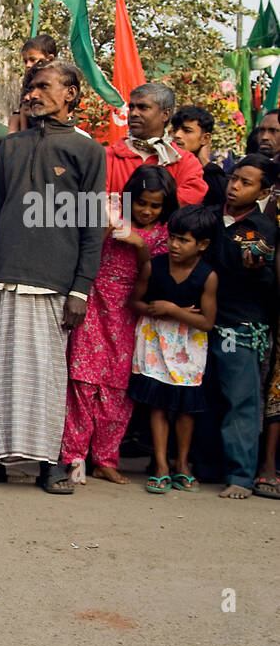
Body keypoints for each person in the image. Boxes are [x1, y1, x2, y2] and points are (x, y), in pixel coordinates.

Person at [0, 59, 106, 495]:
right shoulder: (7, 146)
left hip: (54, 282)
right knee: (0, 371)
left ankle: (49, 464)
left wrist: (81, 288)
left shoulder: (88, 151)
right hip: (5, 277)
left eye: (43, 86)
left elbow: (93, 224)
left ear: (71, 95)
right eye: (30, 86)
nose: (32, 93)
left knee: (46, 375)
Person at [60, 166, 174, 485]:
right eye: (141, 203)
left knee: (117, 388)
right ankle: (73, 457)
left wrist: (139, 243)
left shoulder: (162, 234)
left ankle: (106, 459)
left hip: (129, 312)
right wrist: (107, 228)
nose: (147, 211)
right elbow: (86, 249)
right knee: (82, 382)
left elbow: (157, 273)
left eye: (155, 206)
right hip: (93, 303)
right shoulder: (110, 213)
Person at [198, 154, 278, 499]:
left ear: (264, 190)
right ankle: (204, 467)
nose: (235, 187)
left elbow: (267, 283)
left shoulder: (264, 230)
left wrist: (257, 268)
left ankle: (241, 476)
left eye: (246, 183)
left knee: (241, 402)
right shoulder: (212, 217)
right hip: (202, 321)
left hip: (242, 325)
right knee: (204, 398)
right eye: (234, 179)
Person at [128, 205, 218, 494]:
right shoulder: (154, 266)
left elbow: (206, 322)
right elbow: (135, 302)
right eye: (172, 238)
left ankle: (182, 464)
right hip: (156, 342)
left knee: (185, 408)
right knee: (158, 404)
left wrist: (173, 310)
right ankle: (161, 465)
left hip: (189, 348)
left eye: (184, 240)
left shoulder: (207, 276)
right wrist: (158, 310)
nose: (175, 245)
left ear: (202, 244)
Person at [106, 83, 207, 206]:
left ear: (165, 115)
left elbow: (189, 199)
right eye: (131, 107)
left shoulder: (185, 162)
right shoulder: (107, 157)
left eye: (142, 107)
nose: (133, 113)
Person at [171, 106, 227, 207]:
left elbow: (221, 202)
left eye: (187, 131)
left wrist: (204, 161)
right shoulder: (163, 160)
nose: (177, 135)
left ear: (205, 138)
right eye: (174, 130)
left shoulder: (212, 174)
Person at [7, 35, 57, 134]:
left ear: (50, 59)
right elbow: (23, 108)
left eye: (33, 60)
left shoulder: (58, 82)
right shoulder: (28, 80)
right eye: (25, 61)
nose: (28, 65)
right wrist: (24, 133)